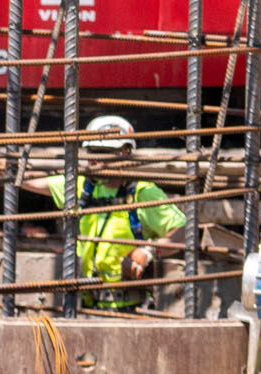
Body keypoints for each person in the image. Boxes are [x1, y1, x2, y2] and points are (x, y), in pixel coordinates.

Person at [41, 114, 185, 309]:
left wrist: (148, 250)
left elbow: (185, 233)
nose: (99, 161)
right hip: (85, 306)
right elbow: (29, 179)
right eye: (94, 152)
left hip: (131, 309)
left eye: (106, 152)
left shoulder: (143, 193)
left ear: (126, 152)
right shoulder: (81, 186)